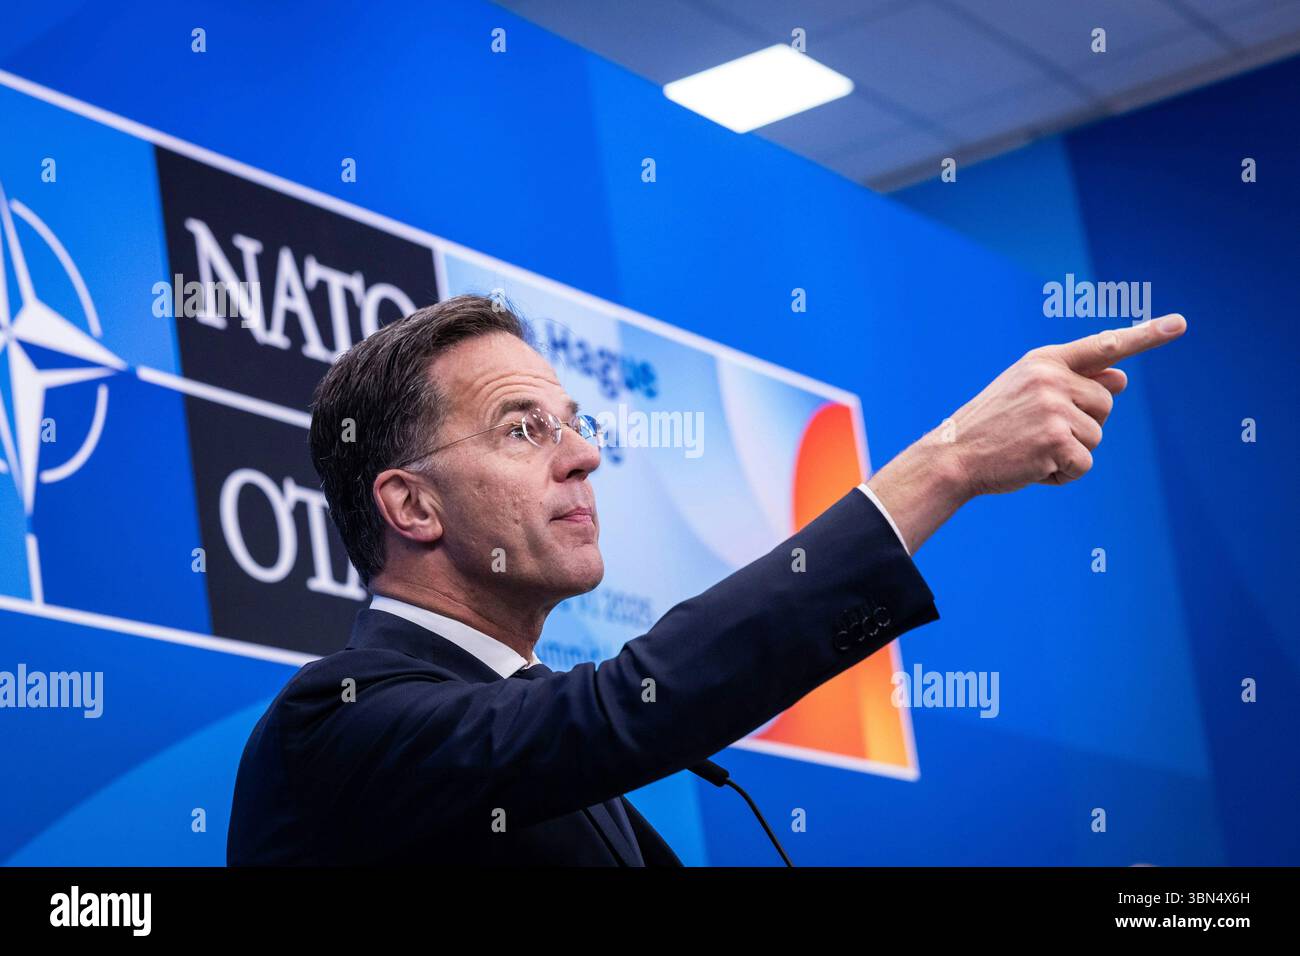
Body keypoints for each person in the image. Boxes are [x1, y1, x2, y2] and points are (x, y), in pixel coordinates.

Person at [227, 294, 1187, 864]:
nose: (582, 458)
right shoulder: (337, 720)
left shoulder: (571, 770)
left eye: (573, 423)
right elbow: (622, 710)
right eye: (525, 428)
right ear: (412, 508)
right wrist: (947, 465)